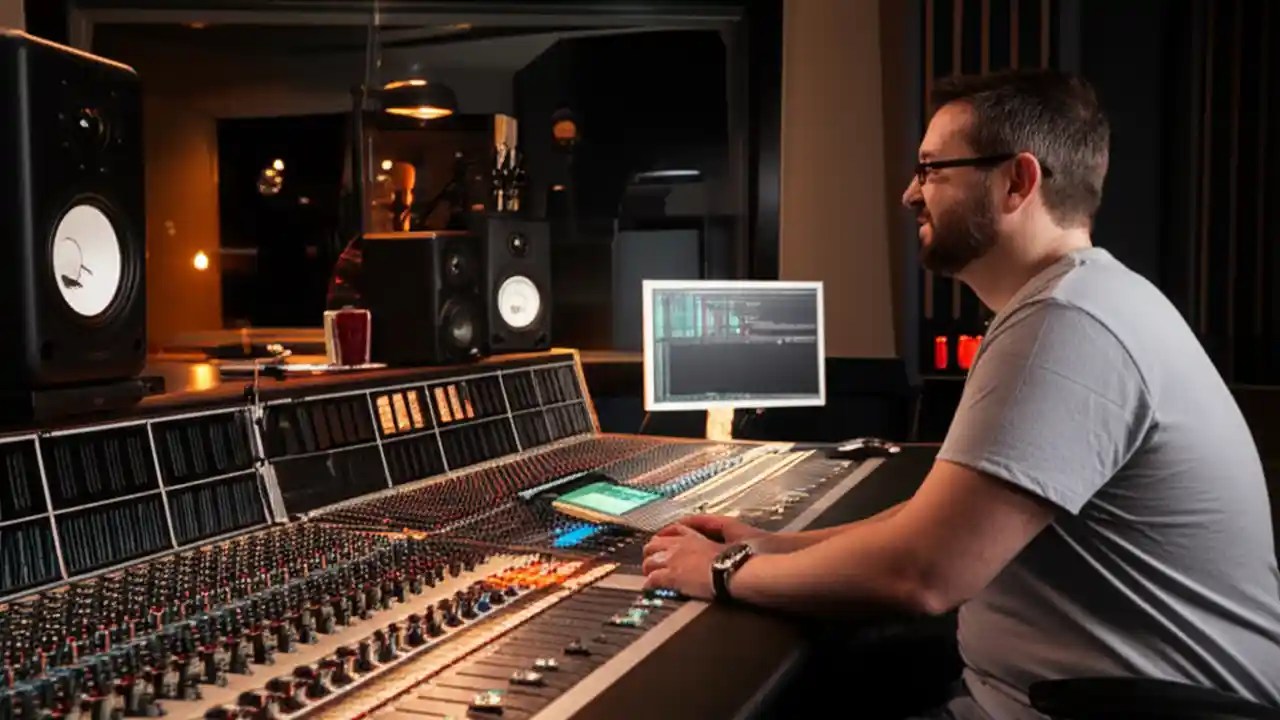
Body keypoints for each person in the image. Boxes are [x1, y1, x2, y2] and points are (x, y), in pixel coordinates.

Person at [641, 69, 1280, 719]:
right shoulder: (1082, 302)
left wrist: (721, 574)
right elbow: (935, 526)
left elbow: (922, 574)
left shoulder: (1068, 322)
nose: (909, 195)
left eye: (931, 169)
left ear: (1016, 182)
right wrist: (769, 545)